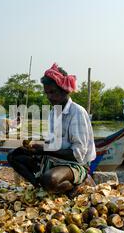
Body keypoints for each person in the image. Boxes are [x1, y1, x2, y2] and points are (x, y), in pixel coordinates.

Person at [7, 63, 96, 197]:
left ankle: (79, 184)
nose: (49, 97)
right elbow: (53, 145)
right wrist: (37, 149)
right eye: (47, 93)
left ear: (64, 89)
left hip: (75, 165)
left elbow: (78, 155)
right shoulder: (53, 112)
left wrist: (45, 150)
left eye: (52, 92)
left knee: (50, 180)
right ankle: (39, 186)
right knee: (13, 155)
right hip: (54, 161)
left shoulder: (77, 112)